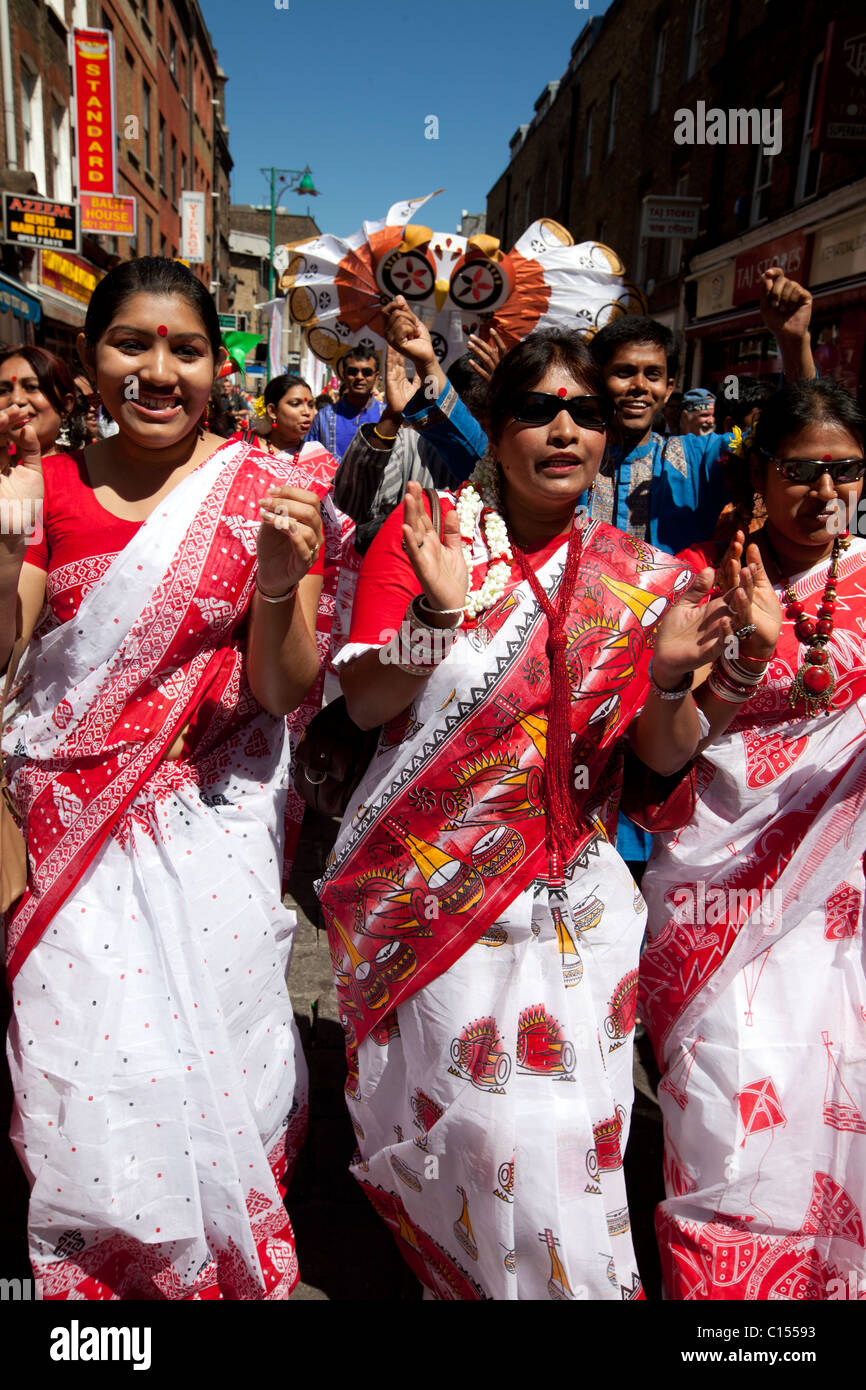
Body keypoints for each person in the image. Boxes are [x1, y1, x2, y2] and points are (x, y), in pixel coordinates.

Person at [316, 328, 764, 1301]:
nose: (564, 430)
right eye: (538, 409)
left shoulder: (642, 578)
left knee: (565, 1148)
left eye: (585, 412)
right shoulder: (428, 532)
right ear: (494, 425)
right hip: (440, 904)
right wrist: (433, 618)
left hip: (581, 914)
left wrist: (674, 679)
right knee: (471, 1137)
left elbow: (657, 753)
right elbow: (363, 706)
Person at [0, 256, 323, 1300]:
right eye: (129, 343)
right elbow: (14, 660)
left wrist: (278, 586)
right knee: (91, 1071)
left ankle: (216, 1264)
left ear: (216, 365)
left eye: (184, 348)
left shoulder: (268, 489)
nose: (157, 369)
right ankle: (112, 1287)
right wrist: (5, 557)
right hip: (68, 836)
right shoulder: (42, 488)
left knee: (211, 1070)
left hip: (208, 836)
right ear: (87, 362)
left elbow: (280, 689)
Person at [639, 378, 866, 1301]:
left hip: (840, 906)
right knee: (722, 1128)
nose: (824, 493)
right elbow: (658, 757)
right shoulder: (691, 585)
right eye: (801, 470)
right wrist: (737, 663)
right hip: (714, 894)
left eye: (845, 472)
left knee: (832, 1115)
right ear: (759, 473)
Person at [257, 371, 357, 868]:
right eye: (294, 403)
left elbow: (342, 537)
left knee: (297, 726)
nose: (305, 412)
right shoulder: (244, 463)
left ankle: (287, 836)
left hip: (314, 613)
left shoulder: (325, 467)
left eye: (309, 405)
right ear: (270, 410)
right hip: (262, 606)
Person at [0, 346, 85, 459]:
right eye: (3, 390)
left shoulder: (91, 470)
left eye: (31, 387)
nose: (16, 399)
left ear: (66, 404)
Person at [307, 347, 383, 462]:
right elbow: (308, 462)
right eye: (353, 371)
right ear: (343, 375)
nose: (359, 377)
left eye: (366, 372)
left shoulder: (387, 416)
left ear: (376, 376)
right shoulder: (324, 417)